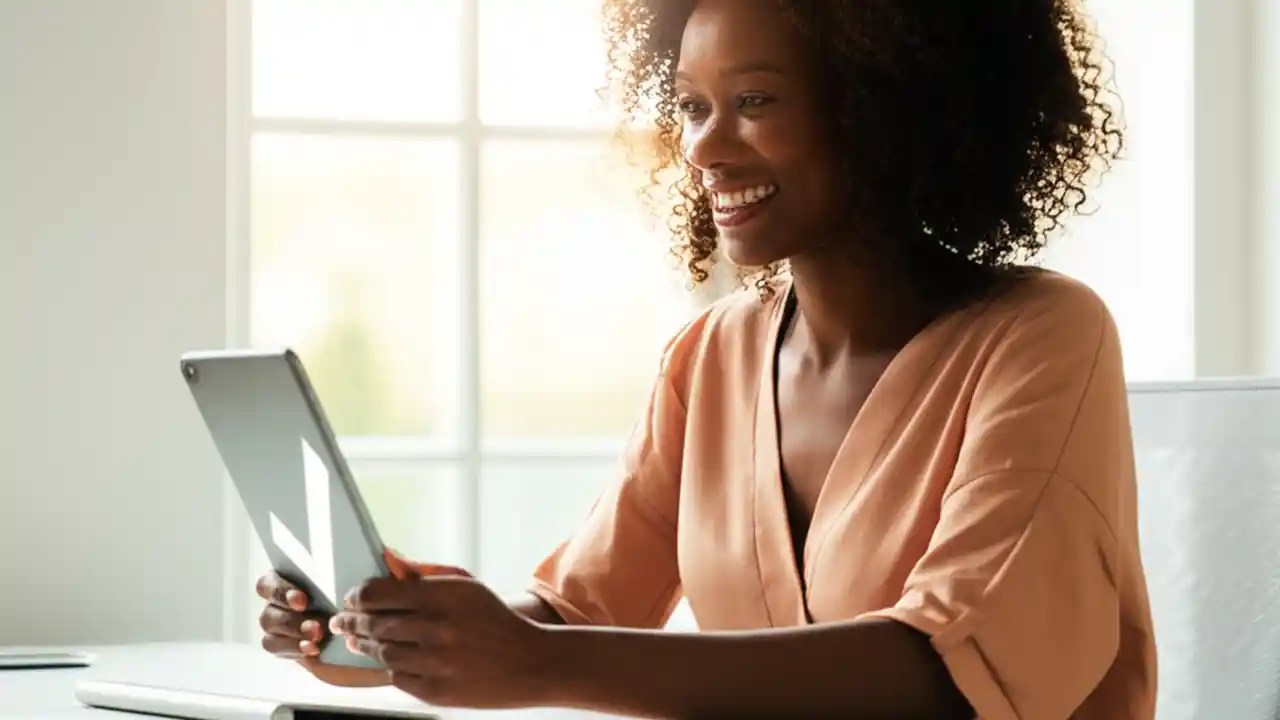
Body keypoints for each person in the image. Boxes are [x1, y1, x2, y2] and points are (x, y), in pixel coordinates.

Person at [256, 0, 1158, 716]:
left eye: (754, 101)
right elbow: (579, 613)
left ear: (886, 106)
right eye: (692, 106)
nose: (704, 147)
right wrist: (403, 632)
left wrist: (535, 660)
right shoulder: (711, 353)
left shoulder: (1043, 335)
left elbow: (944, 675)